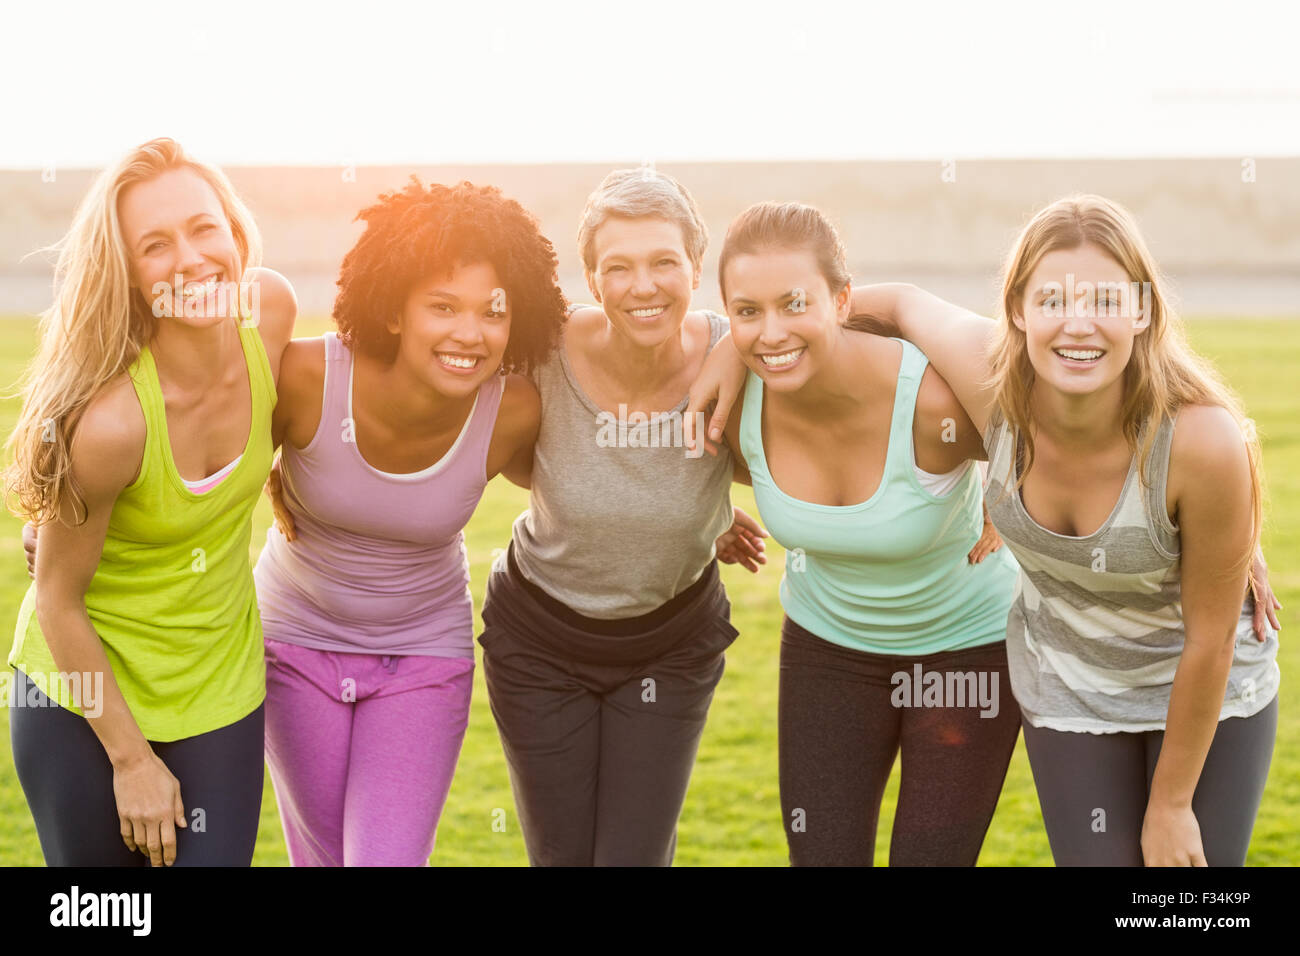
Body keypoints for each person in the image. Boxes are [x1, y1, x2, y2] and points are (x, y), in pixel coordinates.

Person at [690, 194, 1282, 866]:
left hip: (1157, 682)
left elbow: (1211, 624)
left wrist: (1232, 545)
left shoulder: (1189, 441)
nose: (1078, 323)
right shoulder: (988, 382)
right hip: (1064, 689)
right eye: (1052, 299)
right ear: (1017, 310)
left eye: (1106, 301)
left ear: (1143, 309)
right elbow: (889, 303)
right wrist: (738, 350)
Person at [255, 179, 565, 865]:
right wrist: (78, 524)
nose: (470, 333)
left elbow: (591, 489)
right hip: (294, 643)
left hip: (423, 657)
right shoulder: (308, 377)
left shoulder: (510, 412)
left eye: (493, 312)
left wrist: (707, 518)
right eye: (443, 307)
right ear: (394, 311)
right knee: (323, 855)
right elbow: (208, 463)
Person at [5, 137, 295, 866]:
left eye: (204, 227)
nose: (192, 259)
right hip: (81, 698)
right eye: (156, 245)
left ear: (234, 229)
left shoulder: (273, 312)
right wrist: (131, 762)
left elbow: (301, 421)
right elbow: (56, 600)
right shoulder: (113, 424)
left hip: (217, 690)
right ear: (129, 273)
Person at [710, 201, 1021, 865]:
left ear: (843, 299)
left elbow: (1076, 427)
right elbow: (640, 457)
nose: (771, 333)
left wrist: (1225, 539)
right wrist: (704, 521)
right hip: (829, 654)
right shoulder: (738, 411)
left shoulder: (934, 402)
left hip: (964, 654)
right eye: (747, 312)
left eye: (795, 303)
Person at [478, 166, 766, 866]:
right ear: (593, 278)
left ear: (696, 269)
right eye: (619, 267)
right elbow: (519, 459)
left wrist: (738, 341)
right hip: (538, 643)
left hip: (670, 646)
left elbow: (844, 324)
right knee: (562, 857)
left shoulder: (739, 350)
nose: (644, 286)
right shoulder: (543, 353)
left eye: (665, 261)